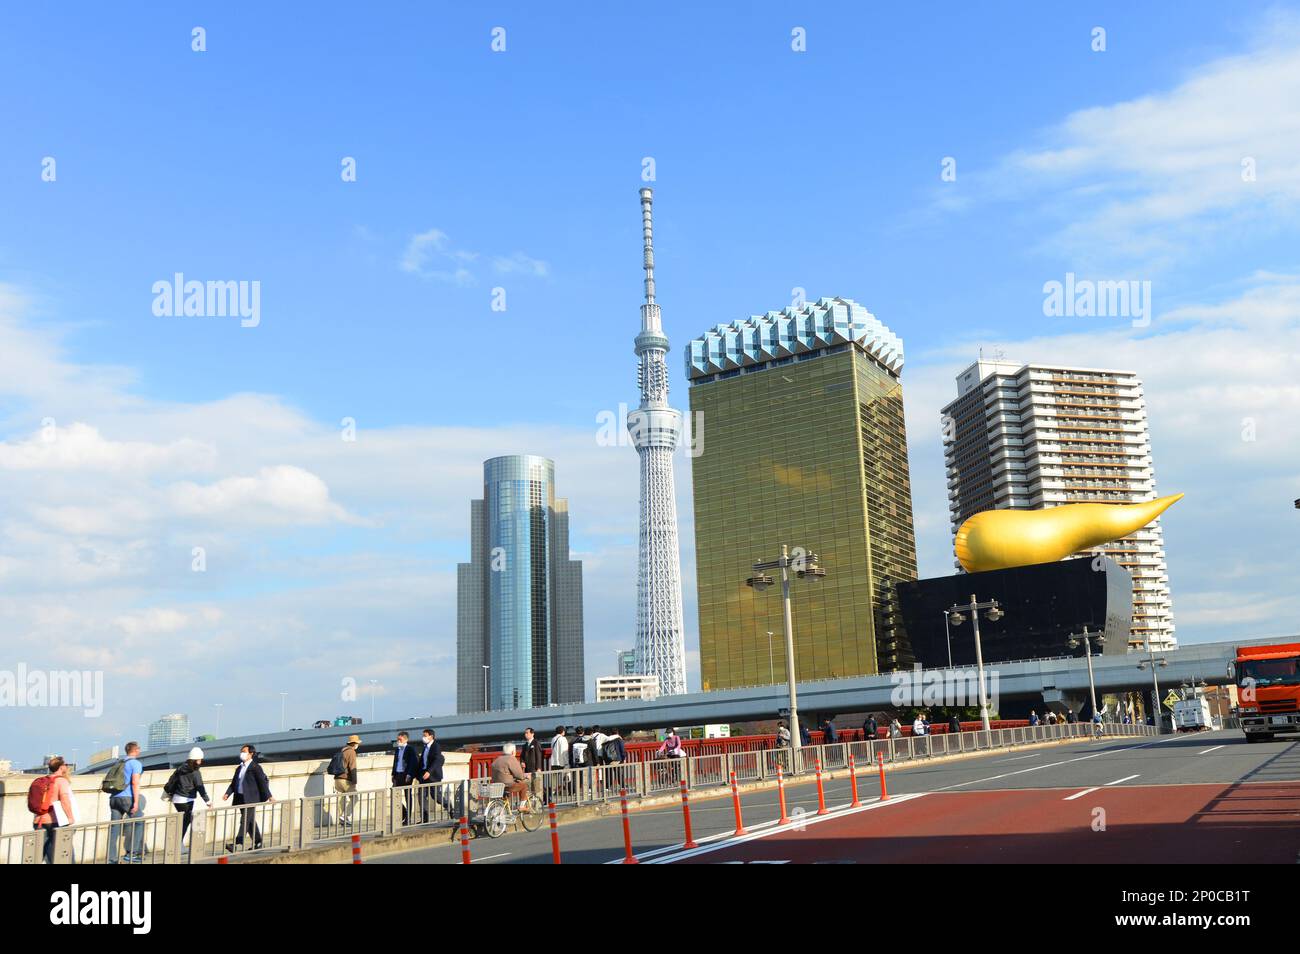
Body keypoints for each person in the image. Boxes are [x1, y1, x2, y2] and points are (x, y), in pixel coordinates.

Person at [223, 744, 273, 851]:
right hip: (241, 798)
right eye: (241, 751)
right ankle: (258, 841)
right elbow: (234, 783)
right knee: (250, 821)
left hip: (251, 798)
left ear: (251, 754)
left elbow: (262, 783)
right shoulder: (240, 767)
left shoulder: (255, 767)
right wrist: (227, 793)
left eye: (244, 751)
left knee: (244, 820)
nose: (242, 753)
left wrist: (269, 796)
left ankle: (236, 844)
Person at [31, 756, 76, 864]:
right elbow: (65, 800)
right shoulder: (61, 781)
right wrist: (70, 817)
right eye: (65, 765)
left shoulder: (43, 780)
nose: (67, 766)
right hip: (55, 822)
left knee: (36, 855)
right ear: (61, 767)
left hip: (39, 821)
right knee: (65, 854)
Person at [106, 740, 145, 864]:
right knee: (139, 821)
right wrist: (136, 802)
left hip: (114, 798)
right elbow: (135, 783)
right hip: (126, 798)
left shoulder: (119, 762)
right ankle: (132, 853)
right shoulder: (135, 763)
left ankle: (111, 858)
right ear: (136, 750)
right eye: (138, 748)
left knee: (114, 828)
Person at [164, 748, 211, 845]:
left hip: (176, 798)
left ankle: (178, 844)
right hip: (186, 799)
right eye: (200, 759)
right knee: (184, 823)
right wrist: (207, 801)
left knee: (183, 822)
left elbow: (172, 780)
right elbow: (200, 787)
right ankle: (178, 845)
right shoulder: (195, 772)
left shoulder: (180, 768)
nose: (201, 761)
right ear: (196, 760)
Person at [389, 731, 419, 824]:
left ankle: (408, 818)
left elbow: (413, 763)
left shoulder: (410, 749)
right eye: (398, 739)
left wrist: (409, 775)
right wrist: (393, 774)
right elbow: (395, 762)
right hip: (397, 775)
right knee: (394, 796)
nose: (398, 741)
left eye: (400, 739)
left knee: (407, 796)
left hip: (406, 776)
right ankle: (404, 813)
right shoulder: (398, 749)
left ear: (406, 739)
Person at [416, 728, 444, 822]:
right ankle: (425, 818)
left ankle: (450, 808)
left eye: (425, 735)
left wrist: (429, 772)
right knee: (421, 796)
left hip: (433, 776)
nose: (423, 737)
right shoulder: (425, 747)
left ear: (431, 736)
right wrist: (419, 774)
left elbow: (437, 761)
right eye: (423, 735)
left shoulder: (436, 746)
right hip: (423, 776)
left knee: (436, 796)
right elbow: (422, 762)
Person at [333, 734, 360, 826]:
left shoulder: (343, 750)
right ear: (355, 744)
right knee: (355, 798)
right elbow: (352, 767)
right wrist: (354, 780)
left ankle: (342, 818)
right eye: (357, 743)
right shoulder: (351, 752)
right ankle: (345, 816)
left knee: (342, 799)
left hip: (337, 779)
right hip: (345, 779)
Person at [521, 727, 546, 797]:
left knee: (536, 786)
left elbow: (539, 755)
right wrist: (522, 762)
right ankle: (533, 800)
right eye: (525, 733)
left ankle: (543, 799)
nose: (525, 734)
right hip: (527, 768)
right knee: (529, 785)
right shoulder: (525, 745)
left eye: (527, 733)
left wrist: (538, 767)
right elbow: (522, 756)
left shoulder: (536, 743)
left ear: (532, 734)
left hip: (534, 767)